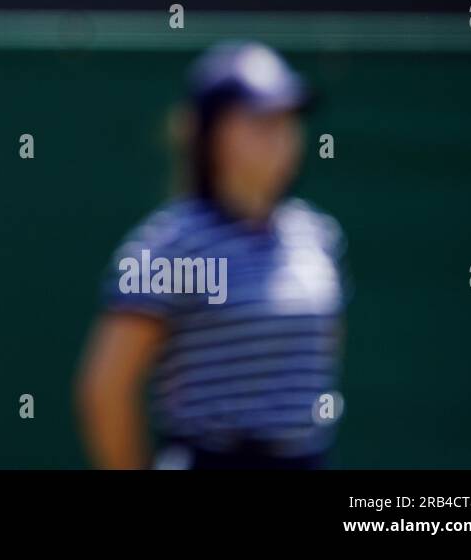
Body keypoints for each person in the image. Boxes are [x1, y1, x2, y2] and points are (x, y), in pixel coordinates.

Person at [76, 42, 349, 469]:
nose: (281, 137)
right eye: (261, 121)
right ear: (210, 134)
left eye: (288, 121)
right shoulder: (171, 245)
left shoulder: (317, 235)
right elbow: (106, 389)